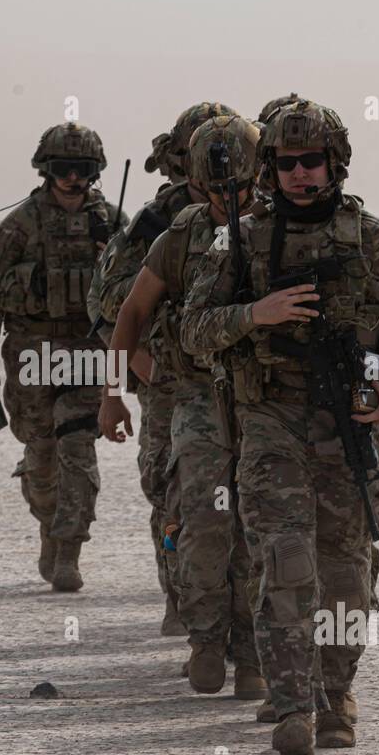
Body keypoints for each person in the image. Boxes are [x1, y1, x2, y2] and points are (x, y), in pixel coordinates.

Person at [180, 97, 379, 755]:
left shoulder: (373, 239)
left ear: (337, 164)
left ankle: (336, 696)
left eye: (313, 162)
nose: (301, 174)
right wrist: (256, 314)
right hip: (270, 419)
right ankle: (294, 705)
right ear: (269, 169)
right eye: (287, 163)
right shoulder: (237, 240)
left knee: (346, 575)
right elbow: (192, 331)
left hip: (349, 425)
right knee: (286, 562)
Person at [98, 115, 266, 701]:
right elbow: (129, 314)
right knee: (199, 521)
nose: (228, 201)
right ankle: (205, 637)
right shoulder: (179, 235)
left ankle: (252, 653)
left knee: (260, 528)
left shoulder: (279, 229)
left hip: (266, 402)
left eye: (240, 190)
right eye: (215, 190)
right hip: (196, 398)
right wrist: (113, 392)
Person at [85, 102, 235, 633]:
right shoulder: (160, 222)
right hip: (168, 378)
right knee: (169, 484)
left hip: (237, 383)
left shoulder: (259, 212)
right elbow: (108, 307)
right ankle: (182, 596)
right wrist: (126, 377)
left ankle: (230, 624)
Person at [0, 122, 125, 592]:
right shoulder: (20, 225)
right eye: (63, 169)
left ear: (95, 171)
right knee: (41, 454)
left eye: (82, 169)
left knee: (78, 445)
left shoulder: (114, 224)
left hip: (87, 348)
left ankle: (69, 549)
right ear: (45, 170)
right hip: (31, 351)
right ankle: (47, 523)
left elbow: (139, 291)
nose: (73, 179)